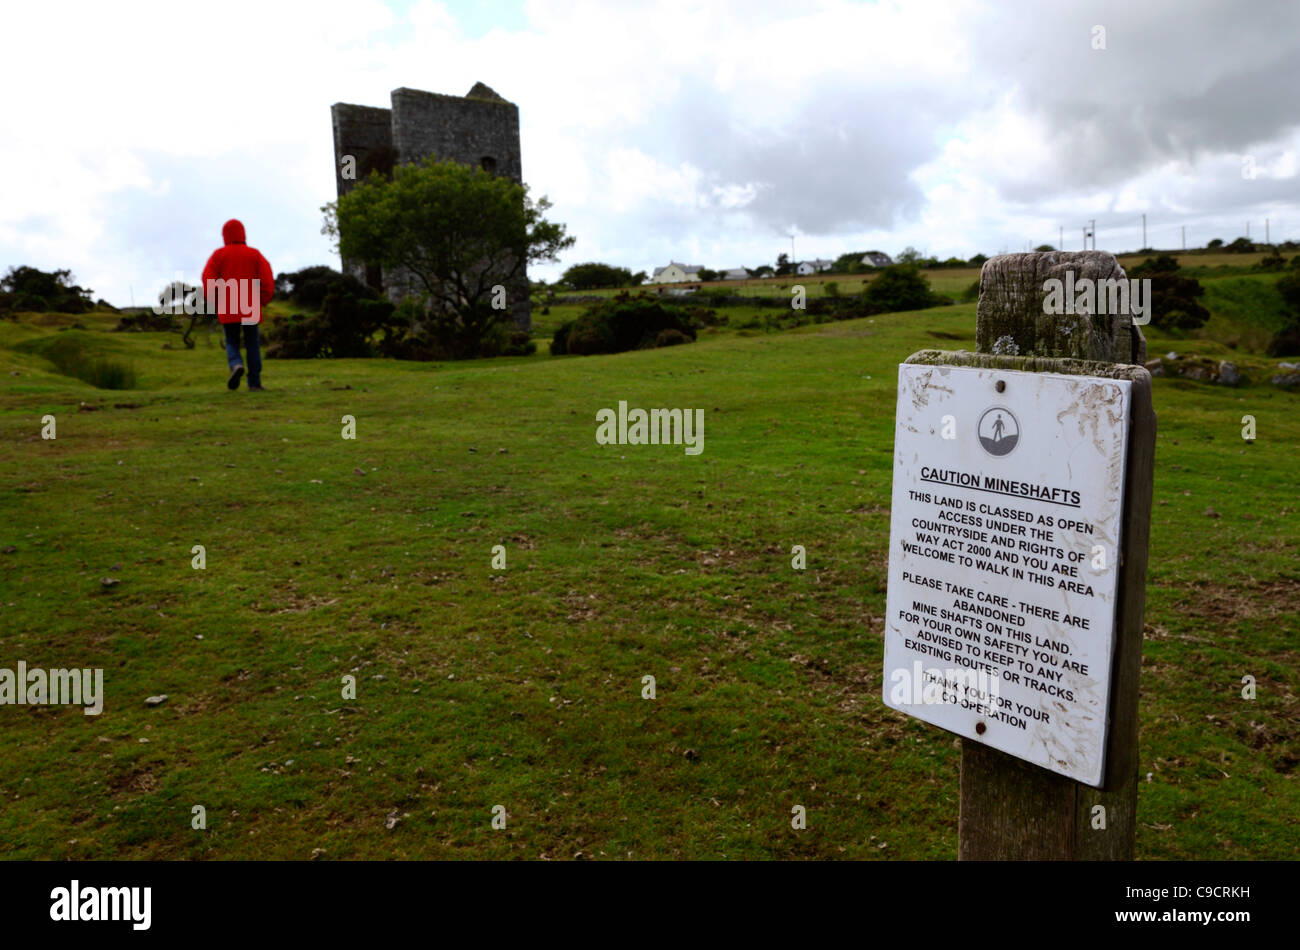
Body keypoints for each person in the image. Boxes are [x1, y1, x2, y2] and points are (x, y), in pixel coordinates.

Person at [201, 219, 274, 391]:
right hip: (250, 306)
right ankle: (254, 382)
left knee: (231, 341)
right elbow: (267, 279)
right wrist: (262, 300)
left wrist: (215, 301)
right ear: (243, 233)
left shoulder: (218, 255)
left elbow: (208, 279)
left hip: (228, 306)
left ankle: (236, 364)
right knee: (252, 343)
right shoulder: (254, 254)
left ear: (224, 235)